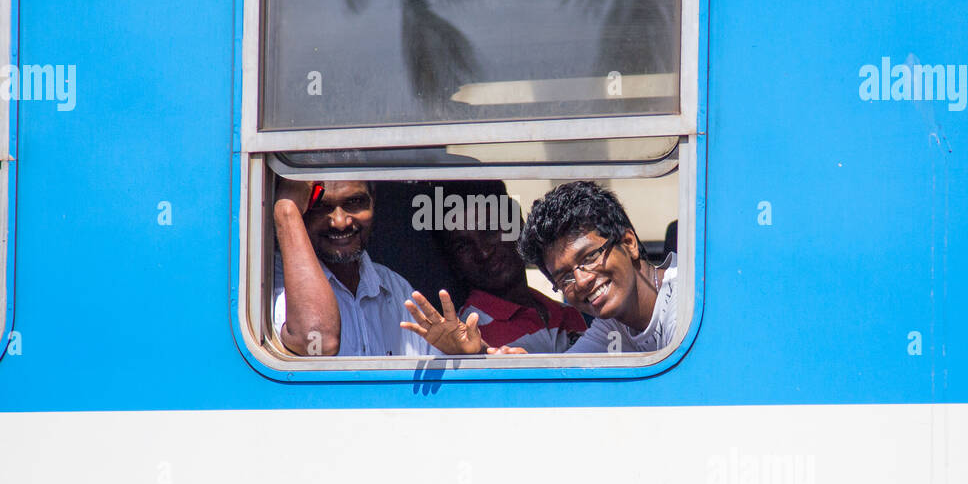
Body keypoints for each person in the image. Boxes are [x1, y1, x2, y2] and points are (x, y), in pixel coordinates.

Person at [404, 181, 676, 355]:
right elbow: (563, 376)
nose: (581, 281)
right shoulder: (609, 327)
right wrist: (488, 359)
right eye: (565, 277)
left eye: (590, 258)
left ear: (628, 243)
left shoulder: (692, 305)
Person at [272, 177, 444, 357]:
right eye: (320, 206)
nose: (340, 222)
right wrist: (286, 210)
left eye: (354, 202)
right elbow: (319, 343)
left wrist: (460, 352)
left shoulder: (393, 286)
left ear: (373, 200)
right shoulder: (271, 283)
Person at [431, 181, 586, 354]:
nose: (483, 252)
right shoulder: (468, 333)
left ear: (519, 225)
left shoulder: (568, 311)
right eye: (463, 247)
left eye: (489, 229)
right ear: (453, 262)